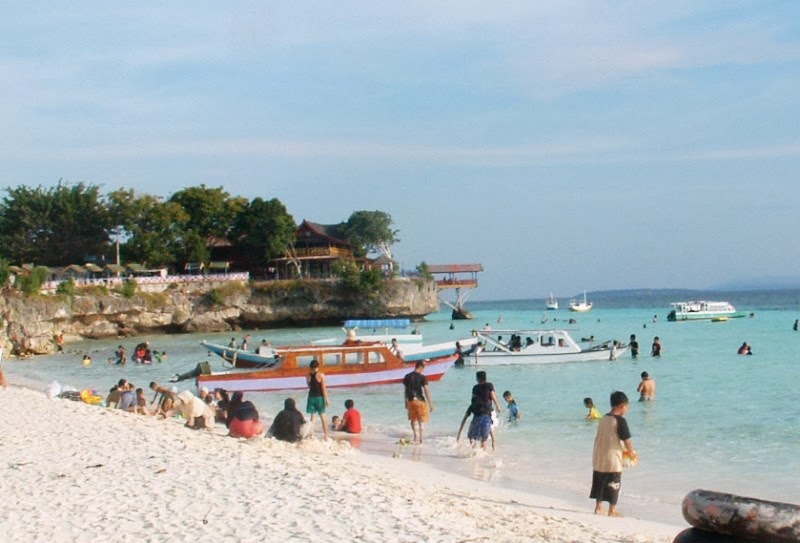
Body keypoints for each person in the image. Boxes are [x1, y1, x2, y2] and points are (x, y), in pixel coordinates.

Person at [590, 391, 636, 517]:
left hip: (599, 456)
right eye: (627, 406)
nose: (627, 409)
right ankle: (612, 510)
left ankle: (598, 507)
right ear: (622, 406)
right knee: (614, 482)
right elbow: (627, 439)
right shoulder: (620, 421)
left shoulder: (604, 418)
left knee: (599, 481)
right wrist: (631, 452)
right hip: (613, 457)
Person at [403, 360, 434, 444]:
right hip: (420, 401)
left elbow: (406, 390)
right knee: (421, 421)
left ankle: (415, 437)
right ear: (421, 367)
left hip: (410, 401)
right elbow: (426, 390)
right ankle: (421, 439)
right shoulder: (422, 377)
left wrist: (405, 402)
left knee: (413, 420)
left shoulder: (407, 376)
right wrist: (431, 403)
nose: (423, 370)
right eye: (423, 368)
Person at [469, 371, 502, 450]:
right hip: (486, 412)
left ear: (478, 378)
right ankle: (483, 455)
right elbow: (493, 395)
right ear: (485, 378)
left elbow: (472, 400)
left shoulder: (475, 387)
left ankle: (474, 452)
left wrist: (470, 410)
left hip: (477, 413)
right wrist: (498, 405)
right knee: (484, 438)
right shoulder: (489, 385)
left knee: (471, 436)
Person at [306, 359, 330, 439]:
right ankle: (326, 435)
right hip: (319, 398)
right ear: (317, 367)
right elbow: (323, 388)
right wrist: (327, 399)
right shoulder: (321, 375)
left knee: (313, 417)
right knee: (323, 416)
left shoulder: (307, 376)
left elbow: (309, 386)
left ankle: (311, 434)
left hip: (311, 398)